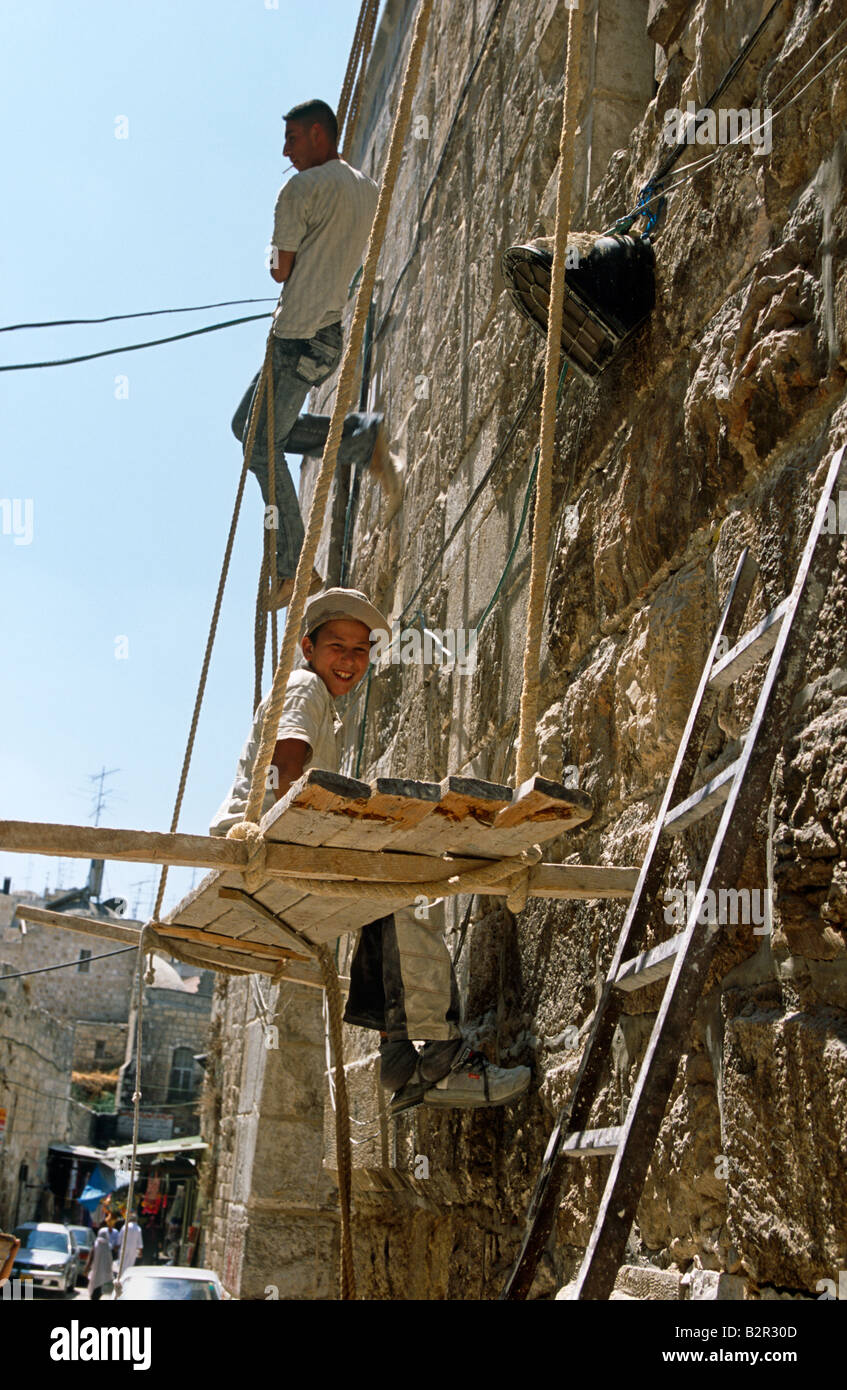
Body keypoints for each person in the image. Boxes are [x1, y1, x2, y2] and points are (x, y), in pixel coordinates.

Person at [211, 587, 530, 1113]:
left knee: (384, 901)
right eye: (338, 645)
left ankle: (400, 1048)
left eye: (361, 651)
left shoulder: (317, 701)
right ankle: (441, 1053)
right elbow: (286, 770)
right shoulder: (303, 688)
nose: (350, 660)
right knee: (409, 879)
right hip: (268, 845)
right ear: (308, 649)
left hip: (280, 848)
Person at [235, 99, 401, 611]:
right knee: (249, 426)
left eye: (291, 138)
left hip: (298, 335)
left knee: (260, 446)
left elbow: (278, 270)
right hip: (328, 335)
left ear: (316, 134)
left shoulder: (299, 189)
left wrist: (282, 245)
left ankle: (295, 569)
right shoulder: (367, 188)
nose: (284, 150)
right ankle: (361, 438)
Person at [87, 1227, 113, 1301]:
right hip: (103, 1271)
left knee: (93, 1285)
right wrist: (109, 1270)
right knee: (99, 1286)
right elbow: (110, 1259)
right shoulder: (108, 1245)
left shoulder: (96, 1244)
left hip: (95, 1269)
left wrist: (87, 1268)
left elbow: (91, 1257)